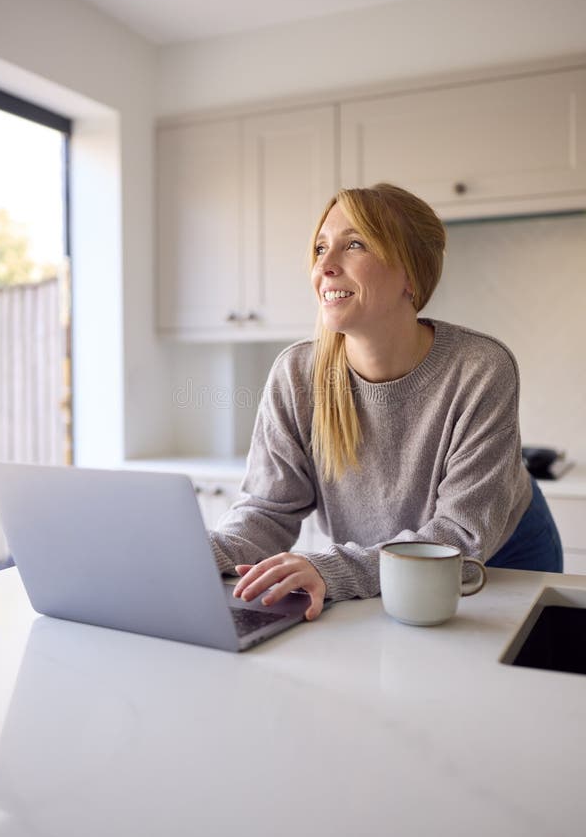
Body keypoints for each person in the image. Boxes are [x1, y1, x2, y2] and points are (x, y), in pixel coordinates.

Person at [209, 182, 563, 620]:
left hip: (497, 560)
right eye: (320, 249)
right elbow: (268, 508)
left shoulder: (480, 368)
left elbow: (459, 534)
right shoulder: (295, 374)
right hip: (377, 565)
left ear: (410, 276)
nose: (326, 267)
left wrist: (331, 568)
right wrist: (202, 551)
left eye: (353, 244)